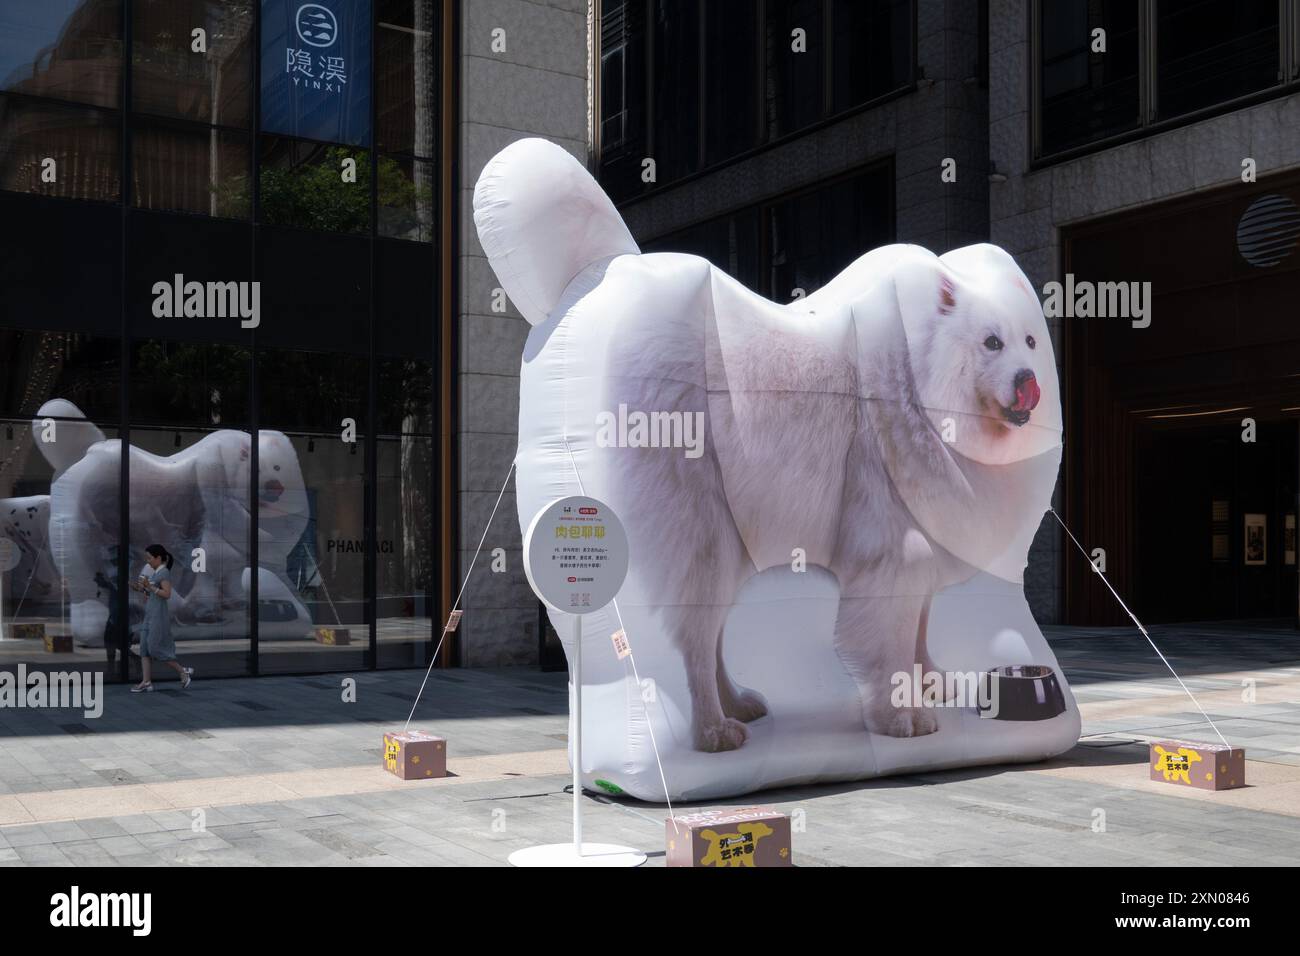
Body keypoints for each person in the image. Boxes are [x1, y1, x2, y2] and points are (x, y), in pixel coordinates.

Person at [129, 544, 193, 693]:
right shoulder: (154, 573)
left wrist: (150, 587)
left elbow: (167, 594)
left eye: (150, 558)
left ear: (158, 558)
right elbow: (149, 593)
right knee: (144, 649)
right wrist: (138, 587)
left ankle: (183, 671)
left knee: (154, 648)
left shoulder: (163, 573)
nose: (148, 561)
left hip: (158, 615)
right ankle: (146, 682)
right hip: (149, 614)